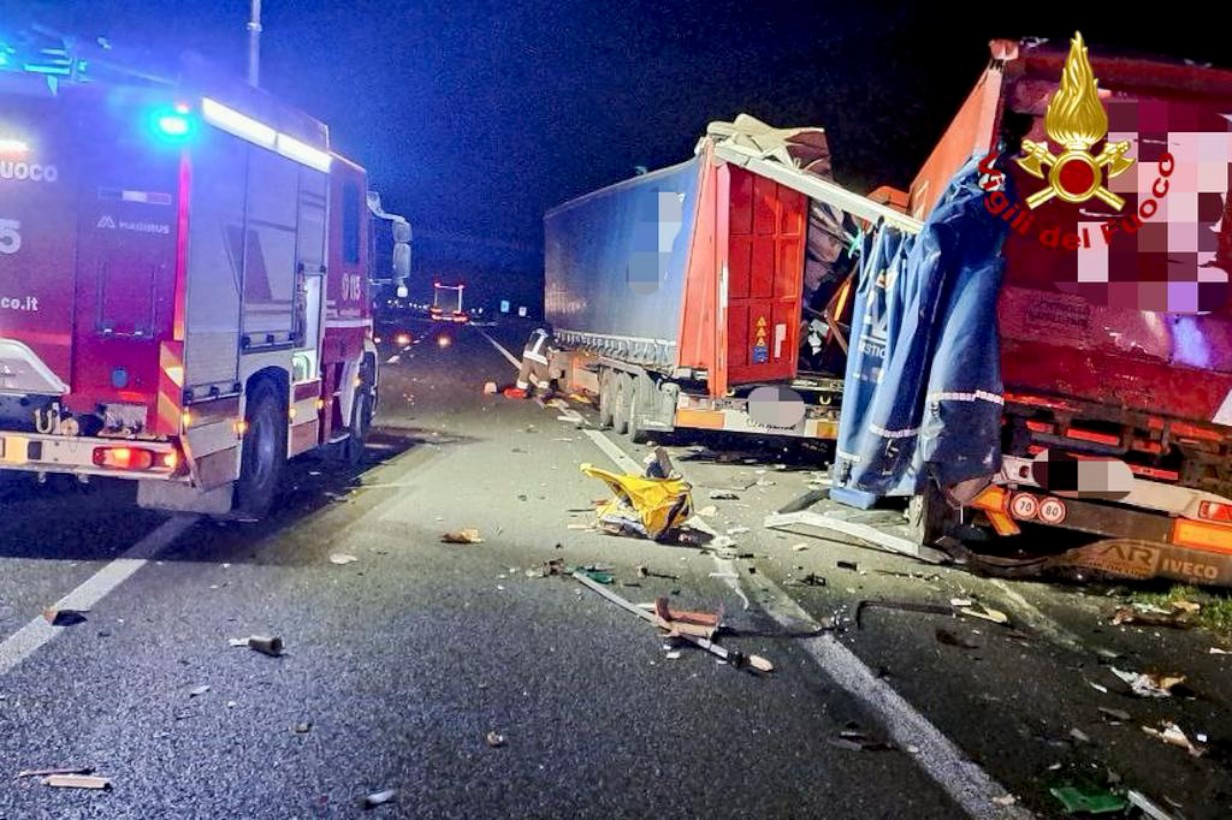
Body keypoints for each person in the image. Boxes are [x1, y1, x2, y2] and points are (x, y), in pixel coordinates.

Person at [504, 327, 555, 399]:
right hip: (539, 358)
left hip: (527, 355)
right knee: (544, 376)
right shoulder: (549, 337)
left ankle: (520, 390)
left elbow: (529, 343)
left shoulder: (534, 333)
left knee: (524, 373)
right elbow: (555, 350)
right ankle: (541, 392)